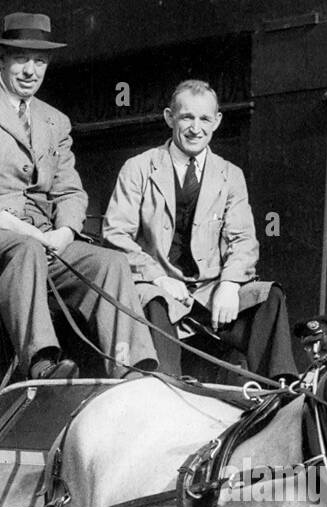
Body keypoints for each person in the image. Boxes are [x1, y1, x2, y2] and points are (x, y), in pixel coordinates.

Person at [0, 12, 157, 379]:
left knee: (109, 263)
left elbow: (70, 191)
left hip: (43, 241)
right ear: (1, 58)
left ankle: (133, 371)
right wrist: (24, 231)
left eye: (40, 60)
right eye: (21, 58)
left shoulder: (55, 121)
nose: (30, 70)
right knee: (25, 249)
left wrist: (64, 232)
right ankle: (41, 363)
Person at [102, 79, 300, 380]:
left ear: (217, 121)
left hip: (211, 292)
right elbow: (116, 234)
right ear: (170, 117)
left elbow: (244, 240)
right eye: (187, 117)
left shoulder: (230, 175)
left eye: (204, 118)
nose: (196, 128)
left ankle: (276, 395)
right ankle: (165, 391)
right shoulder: (139, 168)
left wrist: (231, 284)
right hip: (159, 289)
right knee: (152, 302)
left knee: (268, 297)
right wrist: (157, 277)